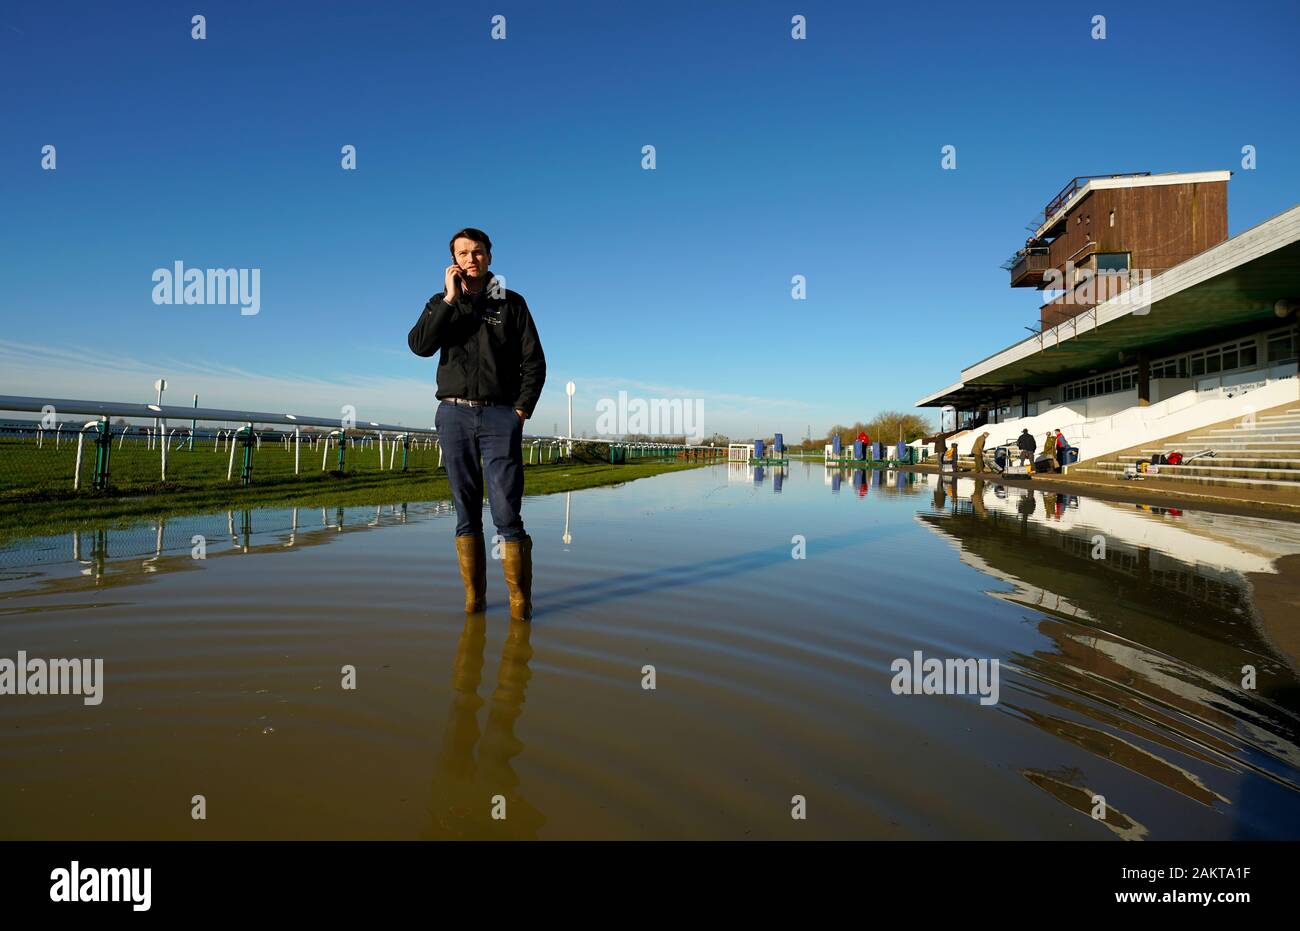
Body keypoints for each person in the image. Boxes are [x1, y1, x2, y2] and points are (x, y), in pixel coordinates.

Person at [408, 228, 547, 620]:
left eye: (479, 252)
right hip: (453, 415)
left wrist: (519, 411)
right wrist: (450, 300)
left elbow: (534, 362)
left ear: (490, 257)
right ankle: (475, 603)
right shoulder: (442, 303)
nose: (472, 259)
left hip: (500, 416)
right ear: (453, 260)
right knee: (465, 512)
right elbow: (419, 345)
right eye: (463, 253)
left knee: (506, 513)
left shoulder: (512, 303)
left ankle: (520, 606)